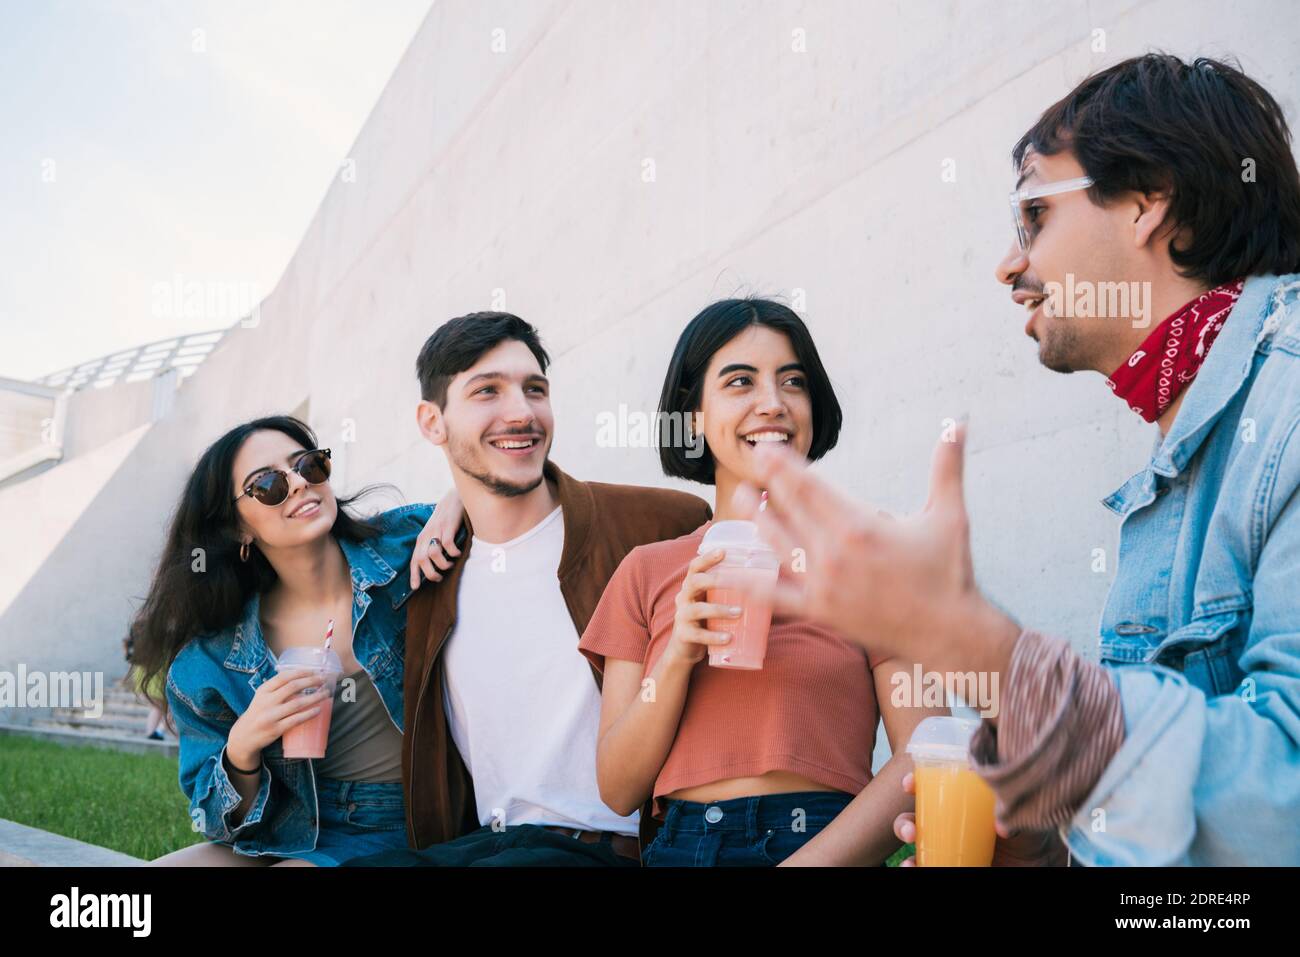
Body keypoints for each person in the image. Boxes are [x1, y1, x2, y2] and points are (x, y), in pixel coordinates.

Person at [730, 54, 1300, 866]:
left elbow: (1284, 804)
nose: (1008, 263)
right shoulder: (1188, 447)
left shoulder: (1289, 399)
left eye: (1034, 212)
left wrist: (973, 647)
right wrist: (1043, 828)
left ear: (1147, 202)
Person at [576, 298, 944, 866]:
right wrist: (677, 655)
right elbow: (618, 788)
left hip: (824, 844)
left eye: (792, 382)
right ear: (693, 416)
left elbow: (927, 750)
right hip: (686, 846)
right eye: (740, 382)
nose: (772, 404)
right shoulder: (645, 570)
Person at [344, 312, 712, 867]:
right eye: (487, 391)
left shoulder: (654, 524)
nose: (521, 412)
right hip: (484, 846)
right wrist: (457, 500)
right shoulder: (425, 571)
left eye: (534, 389)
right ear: (432, 422)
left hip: (612, 850)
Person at [134, 415, 462, 865]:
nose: (298, 484)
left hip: (410, 819)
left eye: (307, 465)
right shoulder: (211, 658)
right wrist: (243, 747)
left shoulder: (409, 545)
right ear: (238, 529)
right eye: (267, 485)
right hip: (289, 826)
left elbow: (511, 504)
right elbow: (212, 820)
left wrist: (459, 498)